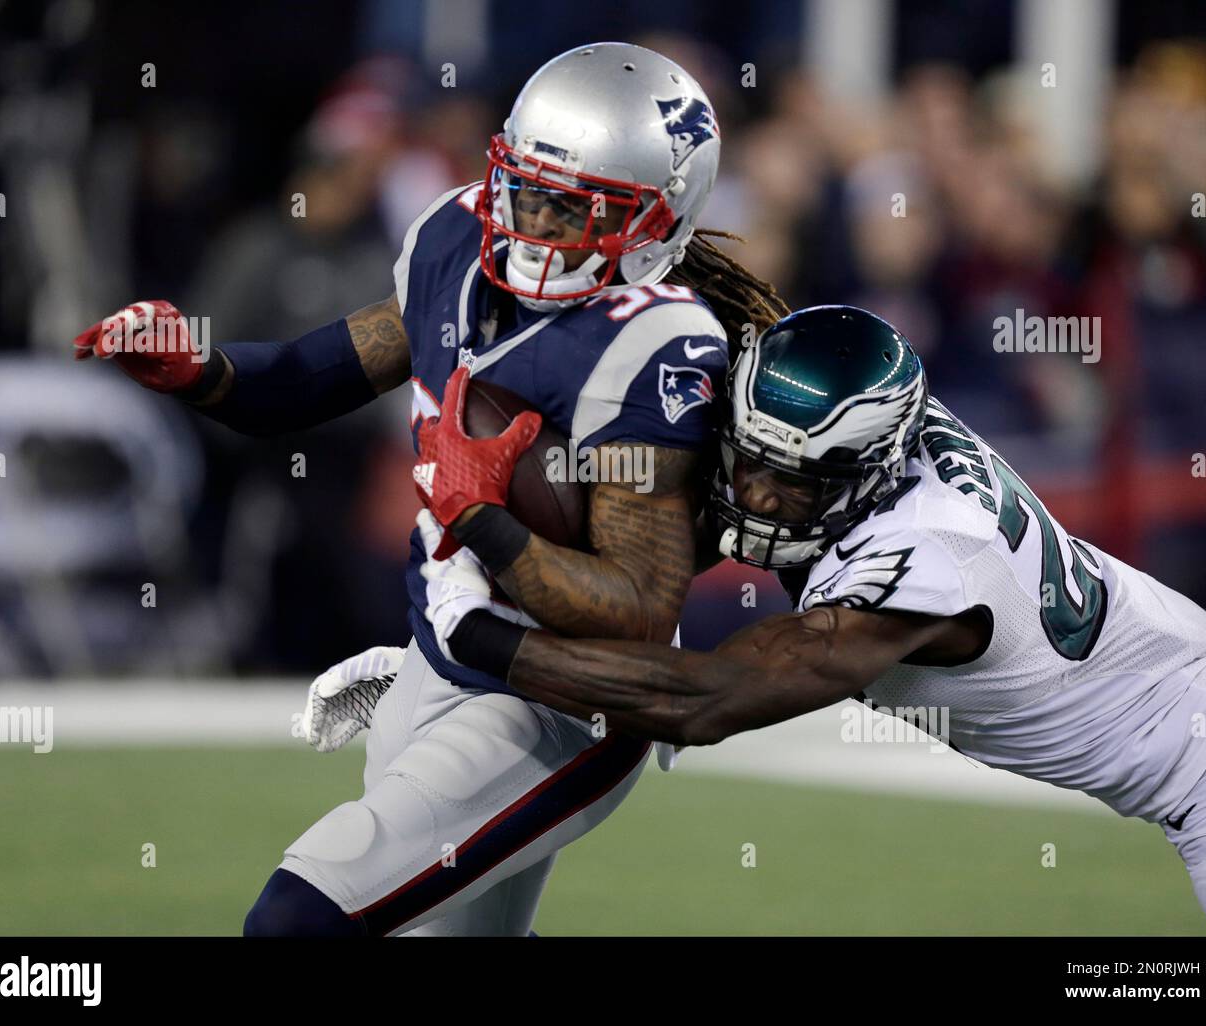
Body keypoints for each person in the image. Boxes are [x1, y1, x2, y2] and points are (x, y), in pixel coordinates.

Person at [72, 41, 788, 936]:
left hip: (557, 709)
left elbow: (638, 611)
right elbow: (313, 373)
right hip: (439, 658)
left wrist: (481, 520)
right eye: (524, 190)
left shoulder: (655, 349)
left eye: (571, 212)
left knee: (297, 919)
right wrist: (203, 371)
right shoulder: (456, 236)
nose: (531, 228)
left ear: (656, 222)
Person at [418, 304, 1206, 936]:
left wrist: (473, 633)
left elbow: (704, 702)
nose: (756, 495)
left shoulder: (927, 560)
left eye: (795, 482)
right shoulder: (853, 418)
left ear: (868, 474)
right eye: (748, 460)